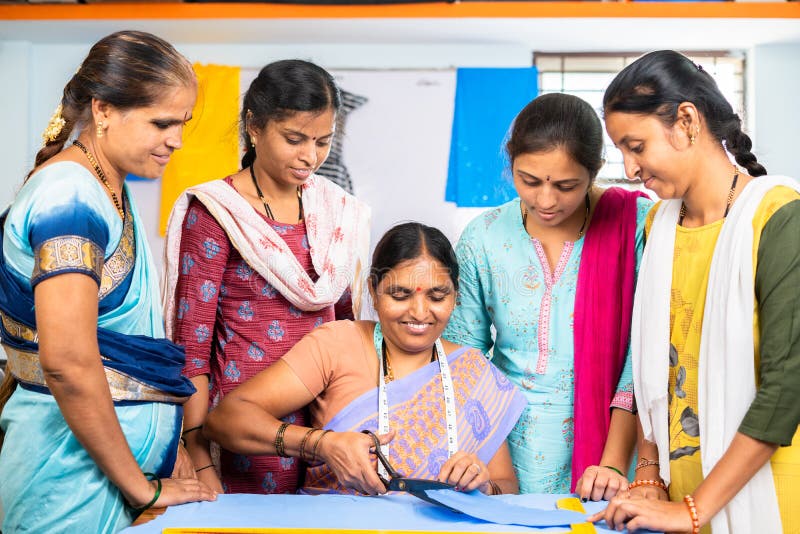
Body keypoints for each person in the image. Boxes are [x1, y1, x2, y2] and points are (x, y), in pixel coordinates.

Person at [0, 31, 217, 533]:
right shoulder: (69, 197)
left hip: (101, 476)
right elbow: (69, 364)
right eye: (161, 123)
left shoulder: (103, 184)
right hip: (68, 481)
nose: (177, 141)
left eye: (182, 124)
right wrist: (141, 487)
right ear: (103, 110)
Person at [591, 50, 799, 534]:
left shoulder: (777, 217)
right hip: (678, 499)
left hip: (768, 498)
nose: (630, 168)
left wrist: (692, 509)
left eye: (637, 146)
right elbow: (653, 366)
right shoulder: (658, 225)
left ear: (686, 121)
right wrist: (648, 474)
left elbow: (786, 387)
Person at [163, 60, 371, 495]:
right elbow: (191, 351)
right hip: (245, 431)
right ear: (254, 127)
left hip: (330, 425)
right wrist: (200, 461)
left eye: (323, 142)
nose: (310, 157)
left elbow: (347, 330)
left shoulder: (335, 212)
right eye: (294, 139)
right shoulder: (217, 212)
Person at [203, 222, 527, 496]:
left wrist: (482, 485)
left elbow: (506, 486)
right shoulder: (337, 344)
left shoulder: (473, 372)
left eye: (437, 296)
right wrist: (321, 444)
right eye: (400, 295)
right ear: (373, 289)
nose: (419, 312)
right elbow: (226, 420)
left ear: (456, 295)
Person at [443, 92, 653, 499]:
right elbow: (464, 358)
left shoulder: (635, 225)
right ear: (511, 162)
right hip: (502, 448)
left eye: (566, 185)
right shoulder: (483, 237)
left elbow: (643, 354)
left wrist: (612, 462)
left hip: (611, 451)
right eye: (530, 180)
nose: (546, 200)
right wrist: (488, 466)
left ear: (595, 171)